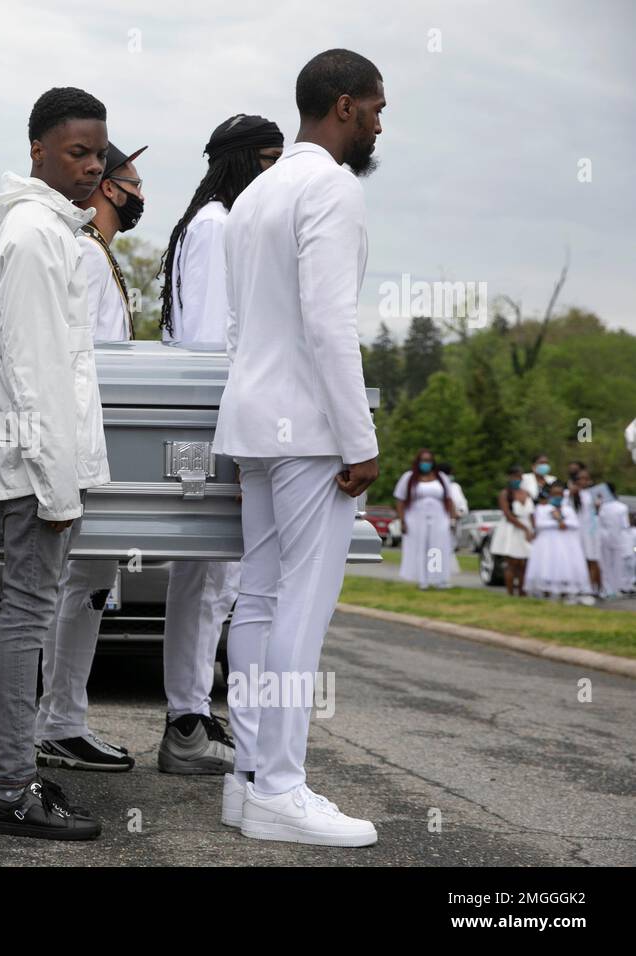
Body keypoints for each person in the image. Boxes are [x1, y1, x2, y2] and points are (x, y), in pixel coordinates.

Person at [214, 48, 384, 847]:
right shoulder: (331, 187)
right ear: (344, 105)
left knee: (258, 598)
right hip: (310, 429)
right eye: (377, 108)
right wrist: (362, 437)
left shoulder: (254, 194)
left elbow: (245, 324)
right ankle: (281, 787)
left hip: (253, 417)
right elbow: (329, 323)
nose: (380, 123)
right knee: (300, 611)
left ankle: (250, 779)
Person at [0, 87, 110, 840]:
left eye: (99, 154)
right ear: (38, 151)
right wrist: (58, 486)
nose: (92, 166)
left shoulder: (47, 230)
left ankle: (14, 773)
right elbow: (36, 372)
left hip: (37, 462)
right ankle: (8, 787)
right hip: (36, 470)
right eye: (77, 152)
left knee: (29, 617)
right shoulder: (37, 236)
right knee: (26, 618)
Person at [156, 114, 286, 778]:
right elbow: (211, 346)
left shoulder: (214, 223)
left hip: (216, 422)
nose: (276, 172)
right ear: (238, 162)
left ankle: (191, 713)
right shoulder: (215, 226)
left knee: (211, 578)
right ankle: (186, 718)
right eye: (268, 159)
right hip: (210, 425)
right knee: (207, 577)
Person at [32, 141, 144, 774]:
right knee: (80, 583)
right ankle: (58, 722)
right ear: (109, 187)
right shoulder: (85, 254)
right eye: (132, 184)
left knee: (89, 585)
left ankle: (62, 718)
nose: (138, 197)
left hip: (96, 438)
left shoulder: (97, 254)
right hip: (84, 440)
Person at [394, 449, 457, 589]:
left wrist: (452, 519)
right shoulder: (409, 478)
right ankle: (423, 579)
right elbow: (400, 500)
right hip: (416, 518)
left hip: (439, 517)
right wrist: (402, 520)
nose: (426, 464)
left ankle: (438, 578)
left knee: (437, 548)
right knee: (420, 547)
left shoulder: (441, 478)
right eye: (423, 460)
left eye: (428, 461)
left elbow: (449, 499)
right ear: (418, 462)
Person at [523, 481, 591, 603]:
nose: (557, 497)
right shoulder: (542, 508)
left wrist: (564, 522)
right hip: (546, 543)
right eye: (555, 494)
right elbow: (539, 524)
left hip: (565, 543)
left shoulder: (567, 509)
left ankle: (564, 592)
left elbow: (575, 523)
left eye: (560, 494)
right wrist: (557, 523)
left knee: (564, 567)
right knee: (546, 566)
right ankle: (545, 592)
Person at [489, 466, 534, 596]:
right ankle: (510, 592)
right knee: (512, 563)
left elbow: (531, 514)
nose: (517, 479)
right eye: (514, 477)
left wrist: (531, 529)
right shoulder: (505, 494)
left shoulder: (527, 493)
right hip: (512, 528)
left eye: (519, 477)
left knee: (524, 563)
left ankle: (522, 591)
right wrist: (524, 528)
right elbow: (508, 515)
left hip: (526, 527)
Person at [597, 483, 634, 597]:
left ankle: (607, 589)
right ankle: (616, 588)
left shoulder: (601, 506)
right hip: (617, 537)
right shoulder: (621, 507)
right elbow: (625, 525)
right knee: (617, 565)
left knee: (606, 564)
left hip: (605, 537)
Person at [571, 466, 603, 597]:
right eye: (580, 478)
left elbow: (598, 513)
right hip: (577, 530)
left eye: (586, 478)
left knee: (592, 559)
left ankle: (592, 587)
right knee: (579, 559)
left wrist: (598, 506)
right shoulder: (572, 493)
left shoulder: (595, 493)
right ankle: (579, 586)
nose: (583, 481)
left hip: (591, 531)